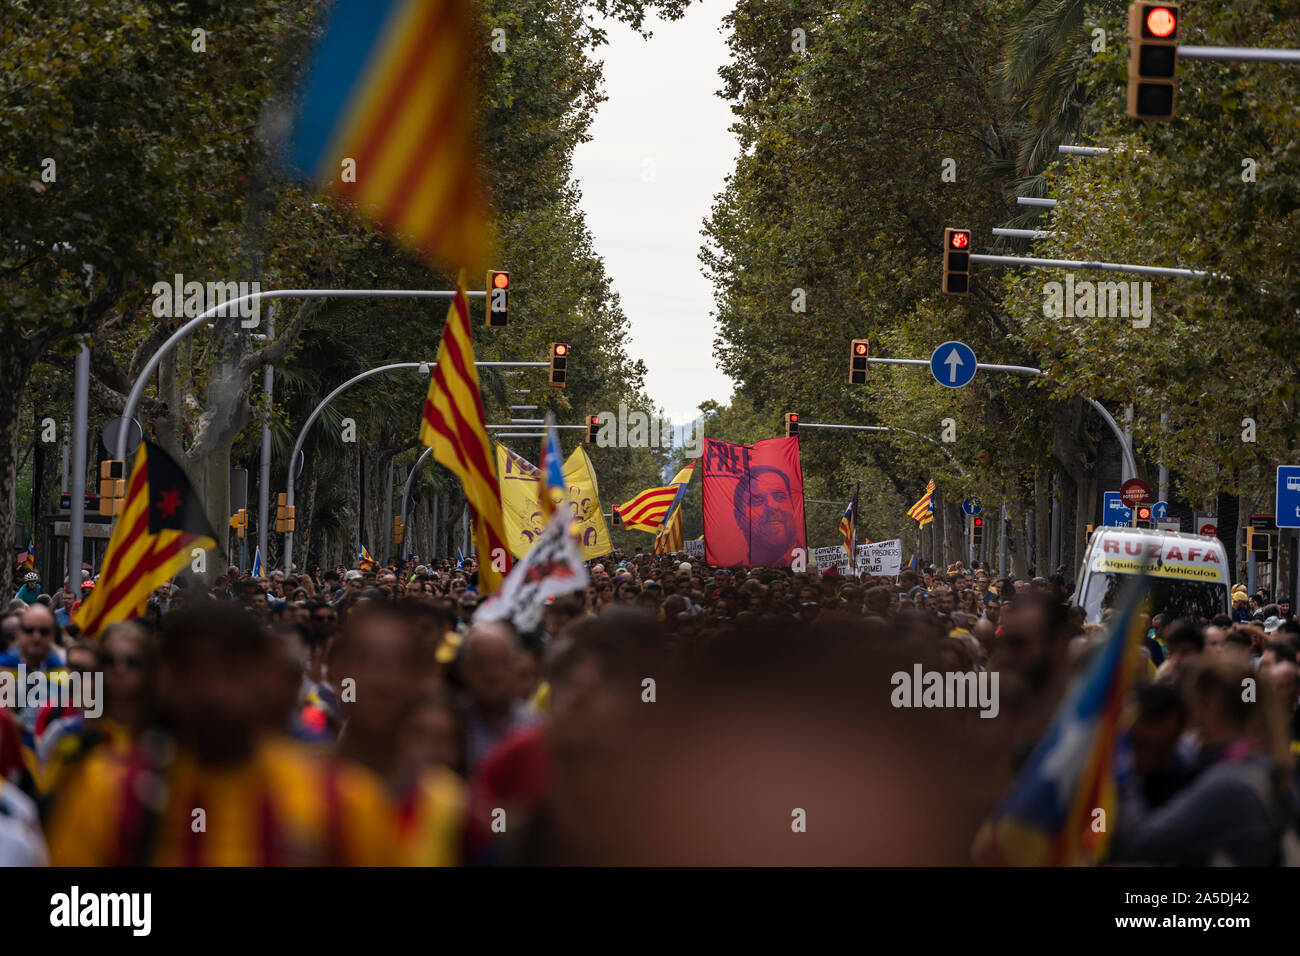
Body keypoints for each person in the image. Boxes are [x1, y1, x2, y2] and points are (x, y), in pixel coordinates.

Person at [47, 603, 397, 865]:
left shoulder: (342, 802)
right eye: (191, 671)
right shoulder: (109, 793)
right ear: (166, 682)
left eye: (230, 670)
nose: (212, 692)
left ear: (264, 680)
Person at [1113, 657, 1291, 866]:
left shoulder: (1229, 784)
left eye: (1190, 704)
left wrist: (1122, 764)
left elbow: (1140, 841)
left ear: (1211, 705)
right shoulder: (1258, 760)